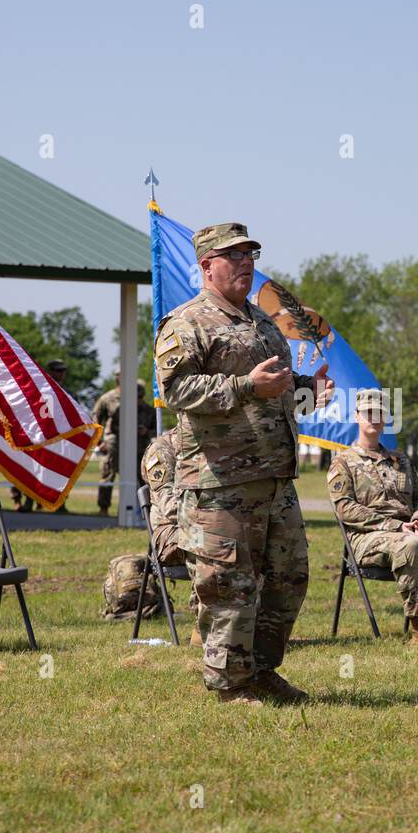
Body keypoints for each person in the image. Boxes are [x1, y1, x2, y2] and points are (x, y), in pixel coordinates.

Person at [155, 221, 332, 705]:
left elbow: (273, 387)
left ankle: (261, 671)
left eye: (250, 254)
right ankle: (229, 684)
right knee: (229, 586)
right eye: (233, 256)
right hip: (220, 481)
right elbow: (175, 391)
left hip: (275, 477)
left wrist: (304, 390)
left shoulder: (262, 322)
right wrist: (246, 386)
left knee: (287, 578)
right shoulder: (186, 323)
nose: (246, 264)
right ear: (206, 265)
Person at [327, 389, 418, 645]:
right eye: (368, 412)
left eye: (379, 413)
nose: (374, 418)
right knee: (410, 545)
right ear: (357, 416)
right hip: (367, 539)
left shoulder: (400, 460)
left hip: (410, 533)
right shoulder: (343, 462)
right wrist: (396, 526)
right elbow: (345, 509)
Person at [141, 425, 202, 646]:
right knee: (203, 540)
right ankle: (204, 626)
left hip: (206, 525)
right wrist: (212, 520)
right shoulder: (163, 449)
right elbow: (170, 507)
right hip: (170, 531)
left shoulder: (211, 443)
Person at [12, 359, 69, 512]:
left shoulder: (64, 390)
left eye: (63, 371)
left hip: (58, 436)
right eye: (58, 370)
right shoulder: (40, 387)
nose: (61, 374)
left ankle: (59, 504)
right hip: (39, 435)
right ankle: (27, 501)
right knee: (32, 468)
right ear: (50, 371)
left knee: (58, 470)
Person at [92, 373, 123, 519]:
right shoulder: (108, 398)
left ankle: (128, 509)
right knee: (107, 475)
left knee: (135, 477)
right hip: (112, 442)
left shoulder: (137, 395)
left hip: (133, 442)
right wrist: (99, 441)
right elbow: (96, 417)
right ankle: (103, 509)